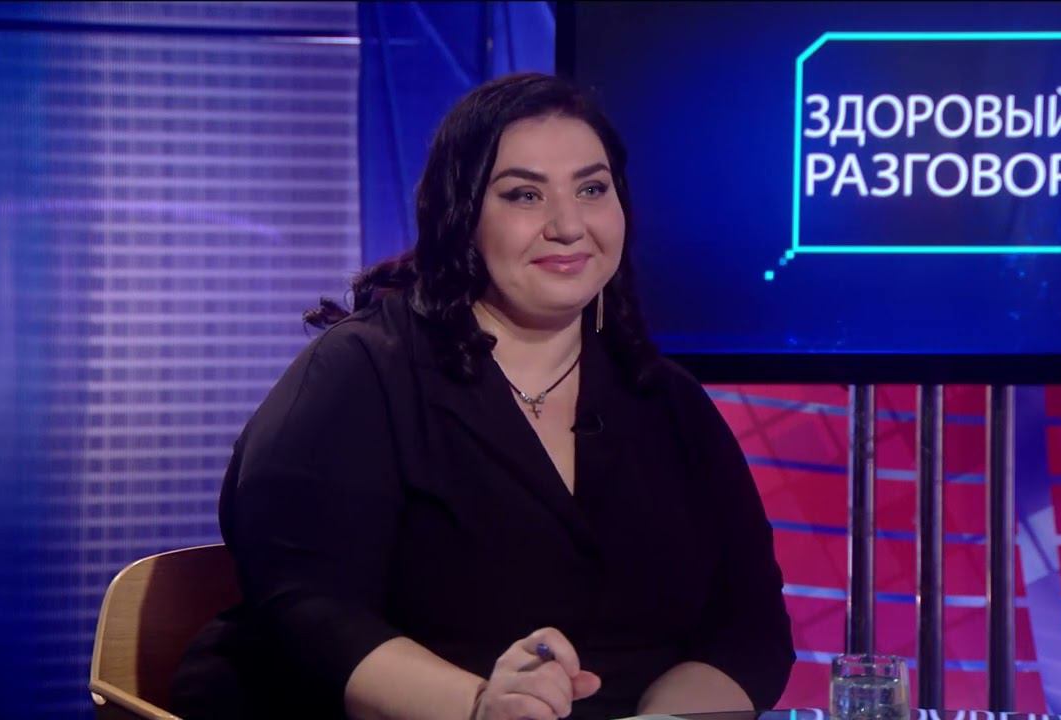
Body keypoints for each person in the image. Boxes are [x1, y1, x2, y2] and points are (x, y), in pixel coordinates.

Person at [171, 72, 794, 720]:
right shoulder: (362, 373)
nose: (568, 225)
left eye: (592, 188)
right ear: (461, 215)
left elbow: (750, 631)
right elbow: (306, 608)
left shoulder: (670, 404)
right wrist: (480, 707)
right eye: (525, 195)